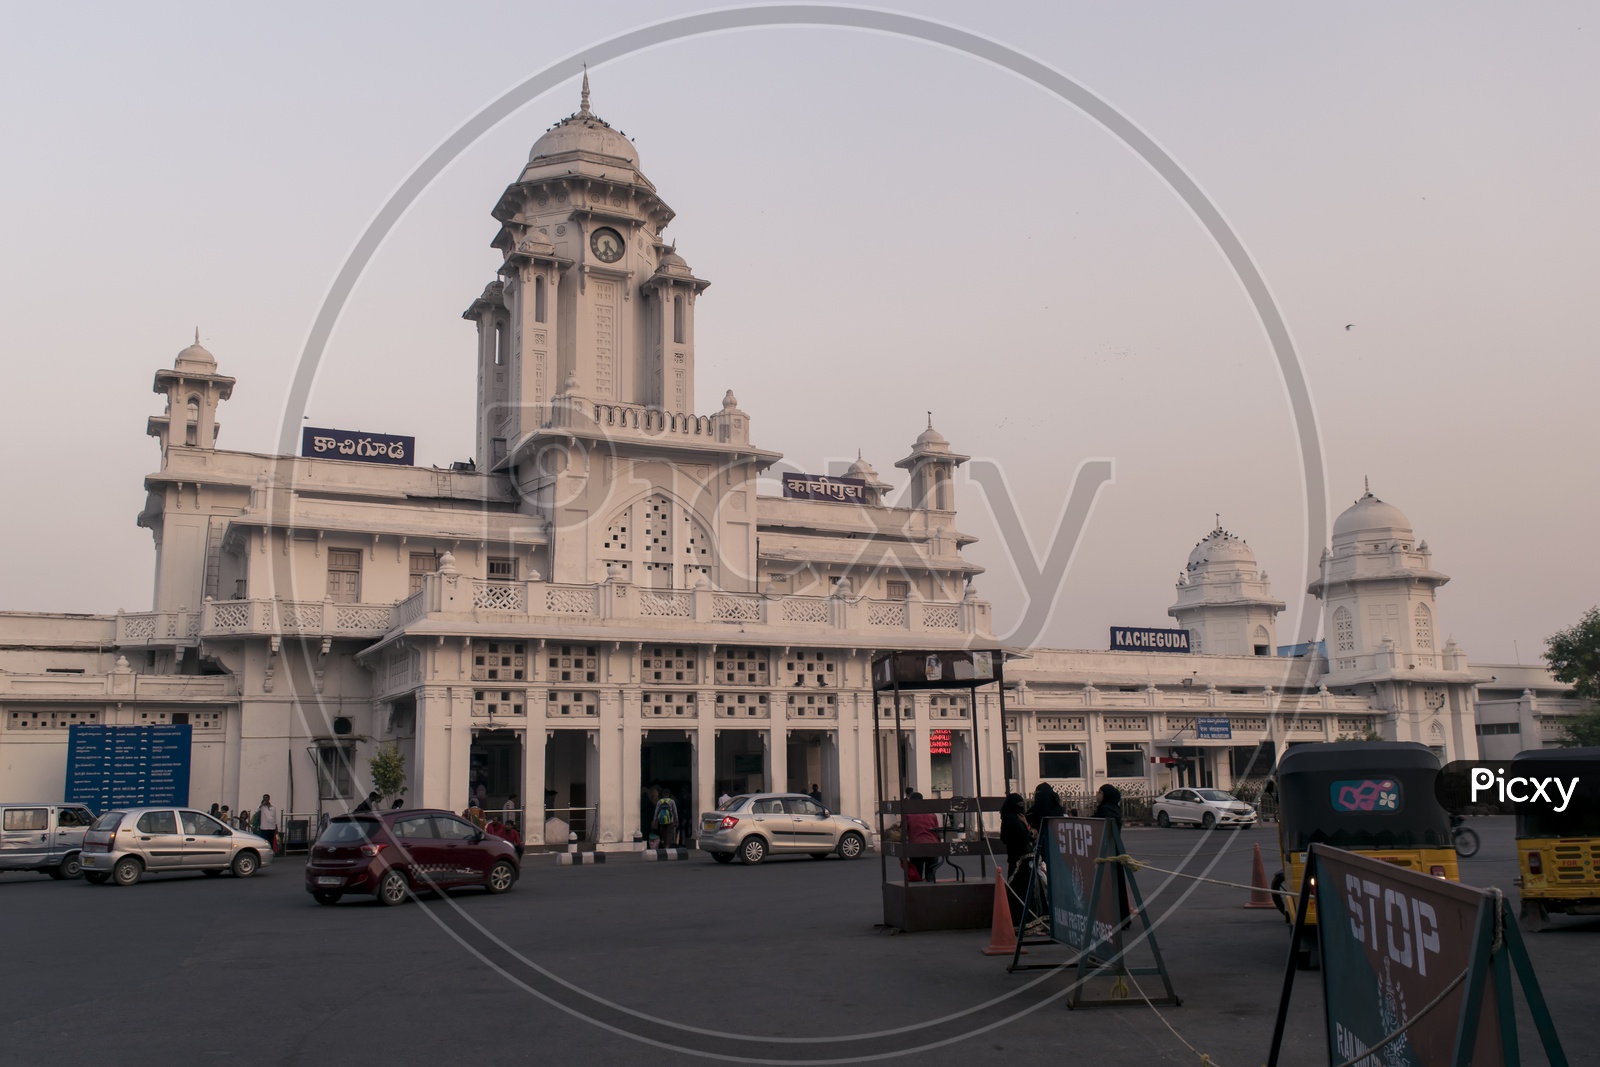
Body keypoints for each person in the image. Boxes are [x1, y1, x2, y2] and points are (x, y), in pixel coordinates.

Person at [1000, 793, 1035, 923]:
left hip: (1019, 861)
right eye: (1019, 805)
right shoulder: (1012, 820)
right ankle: (1024, 922)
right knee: (1021, 893)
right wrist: (1029, 830)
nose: (1021, 807)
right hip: (1020, 862)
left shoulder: (1011, 817)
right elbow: (1026, 837)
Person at [904, 791, 940, 883]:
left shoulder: (908, 815)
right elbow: (937, 831)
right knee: (931, 876)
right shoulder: (932, 814)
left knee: (916, 876)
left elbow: (904, 832)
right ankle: (931, 893)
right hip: (932, 846)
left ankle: (918, 895)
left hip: (916, 847)